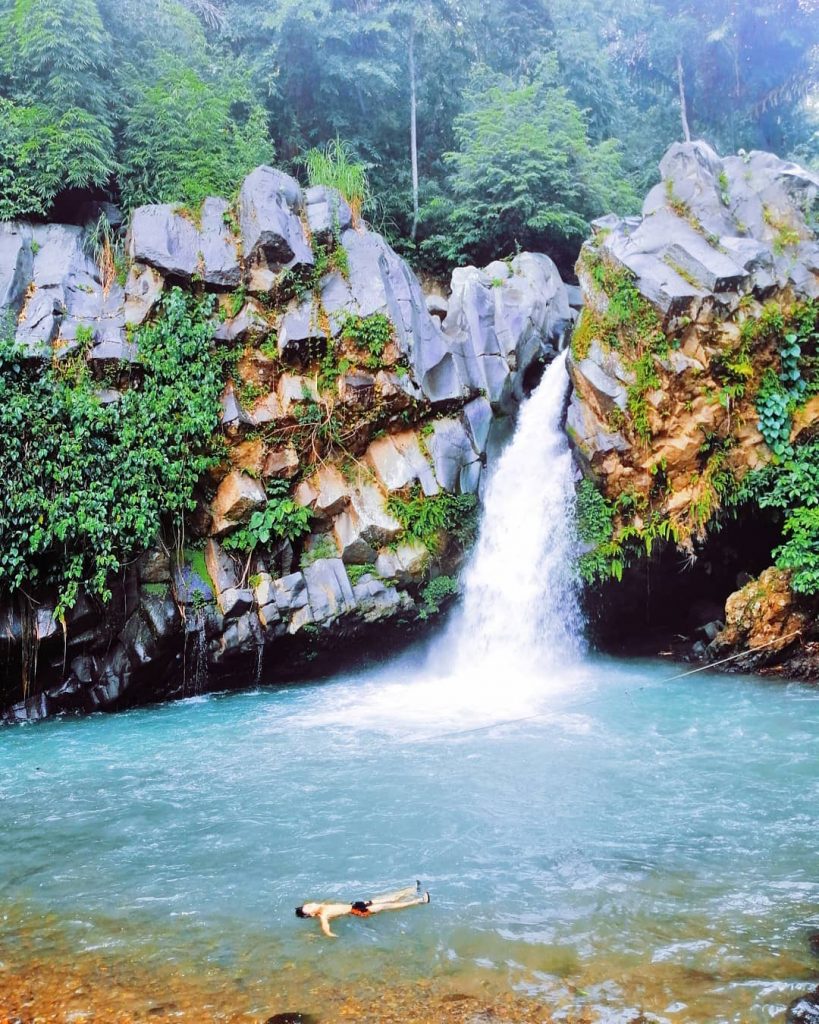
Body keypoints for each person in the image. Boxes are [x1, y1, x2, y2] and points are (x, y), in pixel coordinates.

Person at [295, 881, 430, 938]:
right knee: (387, 905)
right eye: (310, 908)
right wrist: (332, 936)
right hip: (359, 912)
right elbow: (326, 928)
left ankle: (413, 890)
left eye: (309, 904)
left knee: (386, 898)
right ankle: (420, 901)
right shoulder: (323, 915)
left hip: (356, 904)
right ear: (312, 914)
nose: (312, 904)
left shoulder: (322, 905)